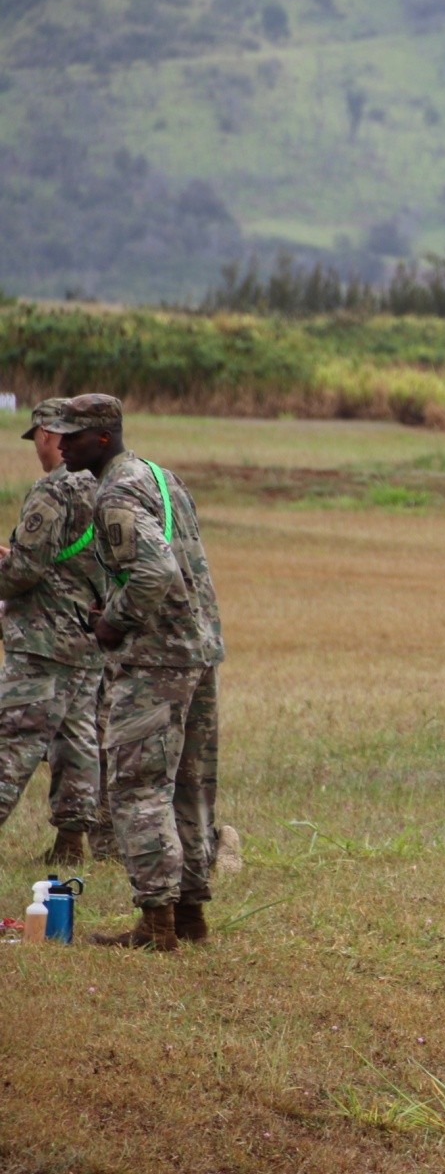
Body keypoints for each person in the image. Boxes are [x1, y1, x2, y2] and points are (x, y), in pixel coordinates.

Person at [48, 394, 225, 951]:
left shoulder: (116, 493)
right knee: (191, 790)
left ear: (103, 438)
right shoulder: (159, 476)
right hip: (197, 651)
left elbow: (156, 567)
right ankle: (191, 916)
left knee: (135, 787)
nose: (61, 445)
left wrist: (112, 623)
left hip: (154, 661)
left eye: (72, 436)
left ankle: (156, 923)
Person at [0, 399, 107, 865]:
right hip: (89, 637)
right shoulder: (105, 486)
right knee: (76, 739)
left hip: (44, 638)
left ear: (47, 434)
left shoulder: (53, 491)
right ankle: (70, 843)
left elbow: (27, 569)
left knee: (13, 736)